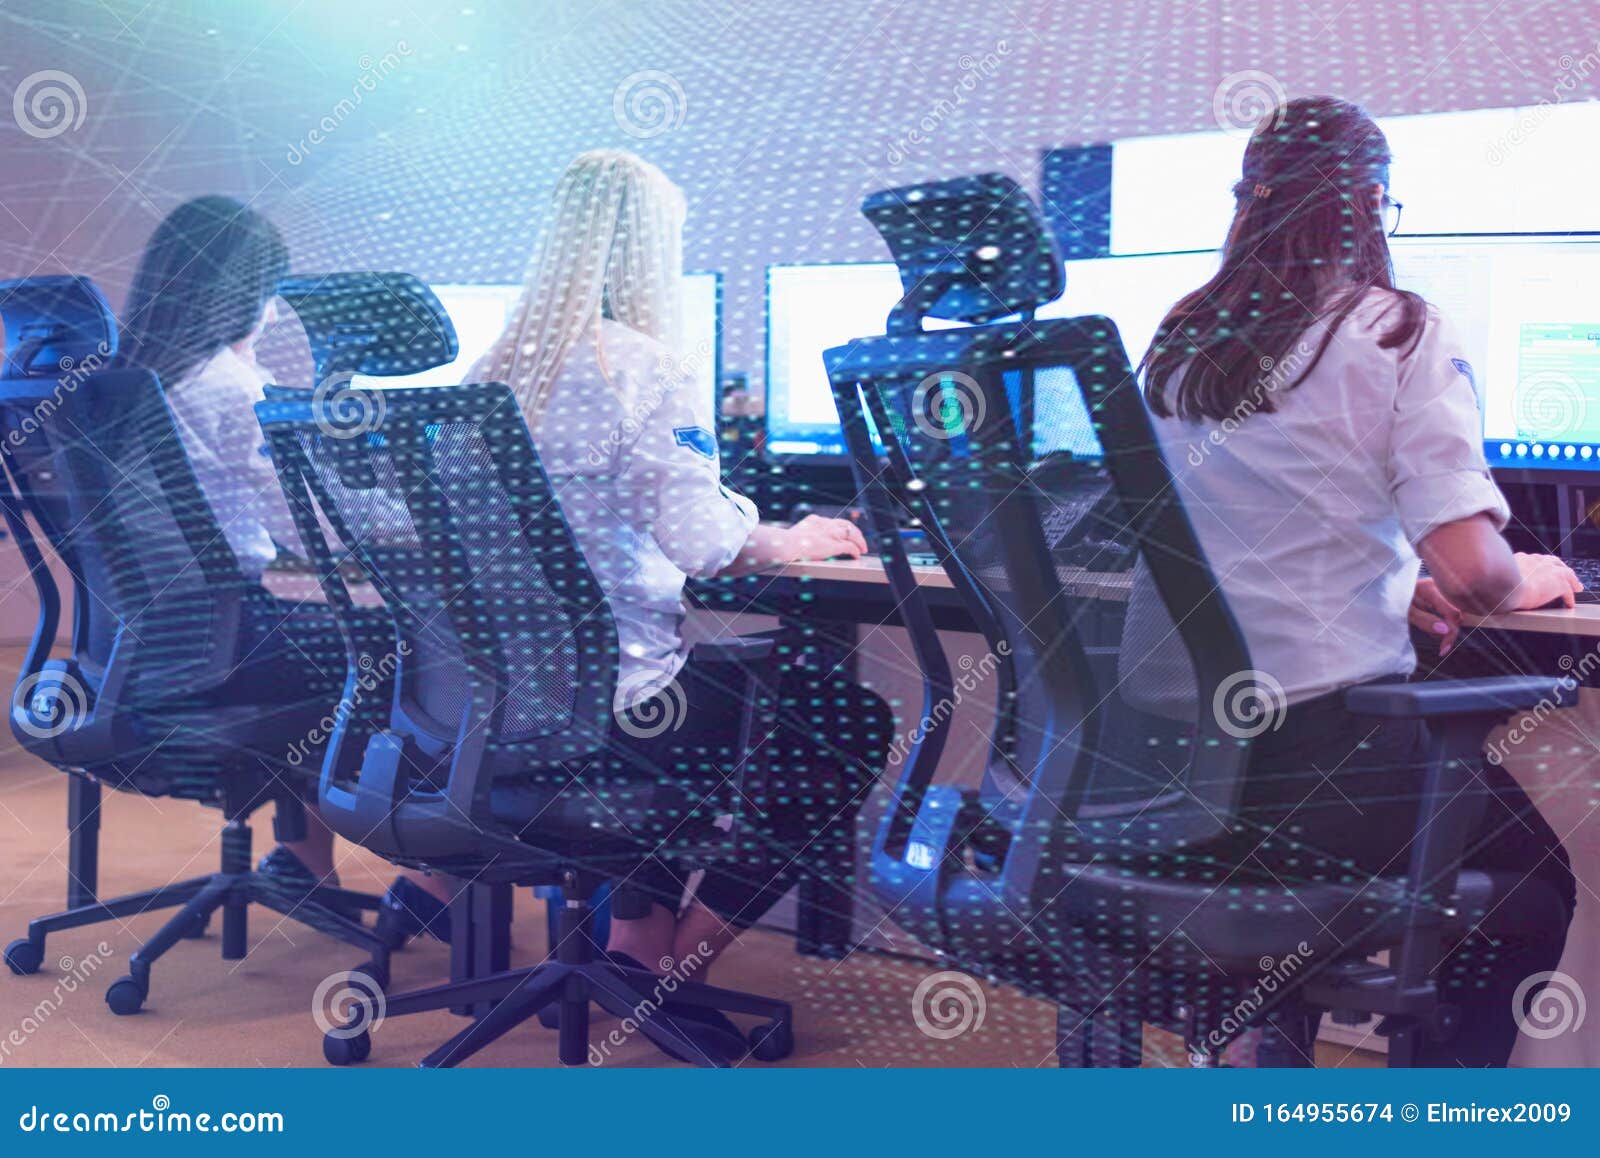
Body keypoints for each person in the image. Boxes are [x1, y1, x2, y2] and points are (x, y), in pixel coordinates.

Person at [1121, 96, 1576, 1066]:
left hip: (1154, 773)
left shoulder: (1177, 336)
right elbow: (1477, 577)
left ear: (1247, 204)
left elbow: (1244, 528)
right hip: (1300, 770)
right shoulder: (1393, 328)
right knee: (1533, 877)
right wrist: (1523, 572)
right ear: (1371, 203)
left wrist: (1388, 576)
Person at [468, 150, 890, 1052]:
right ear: (648, 253)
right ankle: (673, 965)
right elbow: (707, 544)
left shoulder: (489, 373)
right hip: (617, 709)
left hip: (500, 716)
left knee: (712, 689)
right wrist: (796, 535)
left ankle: (634, 939)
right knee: (844, 718)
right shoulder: (644, 368)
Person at [118, 196, 442, 936]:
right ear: (250, 296)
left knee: (329, 643)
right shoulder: (230, 387)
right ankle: (432, 880)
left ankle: (304, 860)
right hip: (222, 648)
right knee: (401, 653)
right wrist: (420, 514)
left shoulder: (130, 382)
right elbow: (320, 527)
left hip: (144, 651)